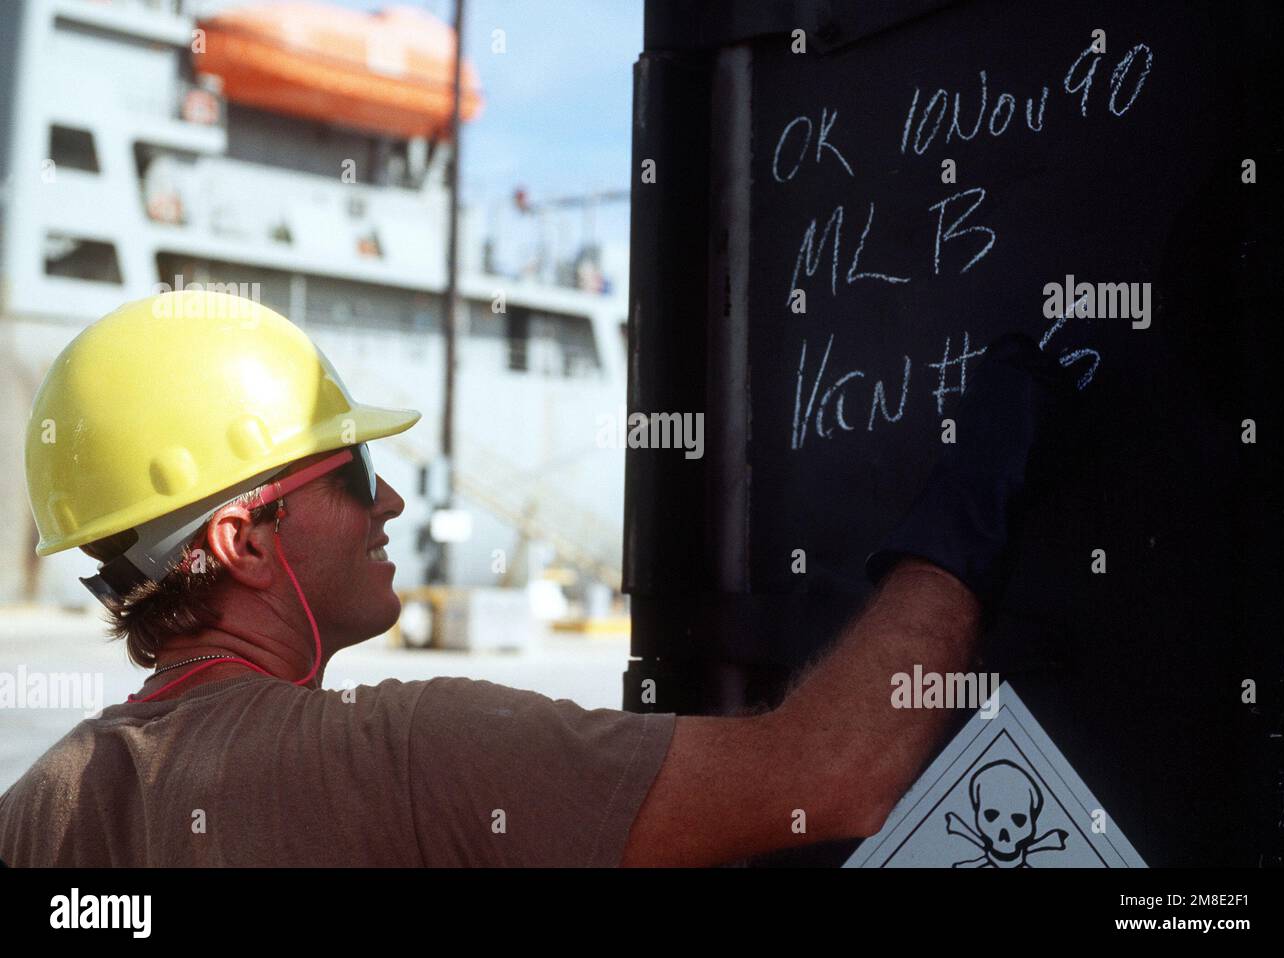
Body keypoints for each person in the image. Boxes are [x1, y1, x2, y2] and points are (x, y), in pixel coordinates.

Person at [0, 290, 1066, 867]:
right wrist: (966, 507)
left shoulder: (38, 807)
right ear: (240, 540)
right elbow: (831, 773)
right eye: (354, 472)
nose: (391, 507)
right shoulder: (415, 754)